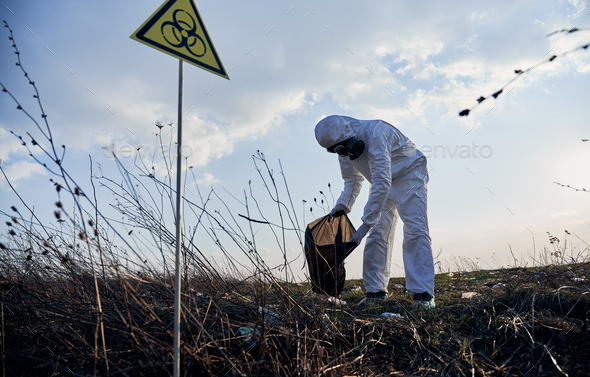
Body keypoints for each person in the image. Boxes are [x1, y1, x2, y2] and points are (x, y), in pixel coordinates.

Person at [314, 115, 435, 310]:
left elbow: (382, 182)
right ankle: (376, 292)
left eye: (342, 147)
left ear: (349, 133)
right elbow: (352, 180)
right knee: (379, 233)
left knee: (415, 230)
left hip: (409, 175)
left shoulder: (377, 133)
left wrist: (365, 224)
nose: (342, 153)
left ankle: (422, 294)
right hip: (382, 181)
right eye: (335, 150)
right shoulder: (343, 150)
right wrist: (343, 205)